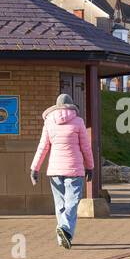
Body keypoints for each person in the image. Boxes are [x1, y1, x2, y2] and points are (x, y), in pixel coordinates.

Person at [30, 93, 94, 249]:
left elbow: (42, 147)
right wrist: (90, 166)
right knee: (72, 202)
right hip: (74, 169)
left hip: (54, 170)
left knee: (60, 204)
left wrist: (34, 168)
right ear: (71, 106)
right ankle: (64, 228)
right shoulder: (78, 122)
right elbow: (86, 147)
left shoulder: (49, 122)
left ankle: (63, 239)